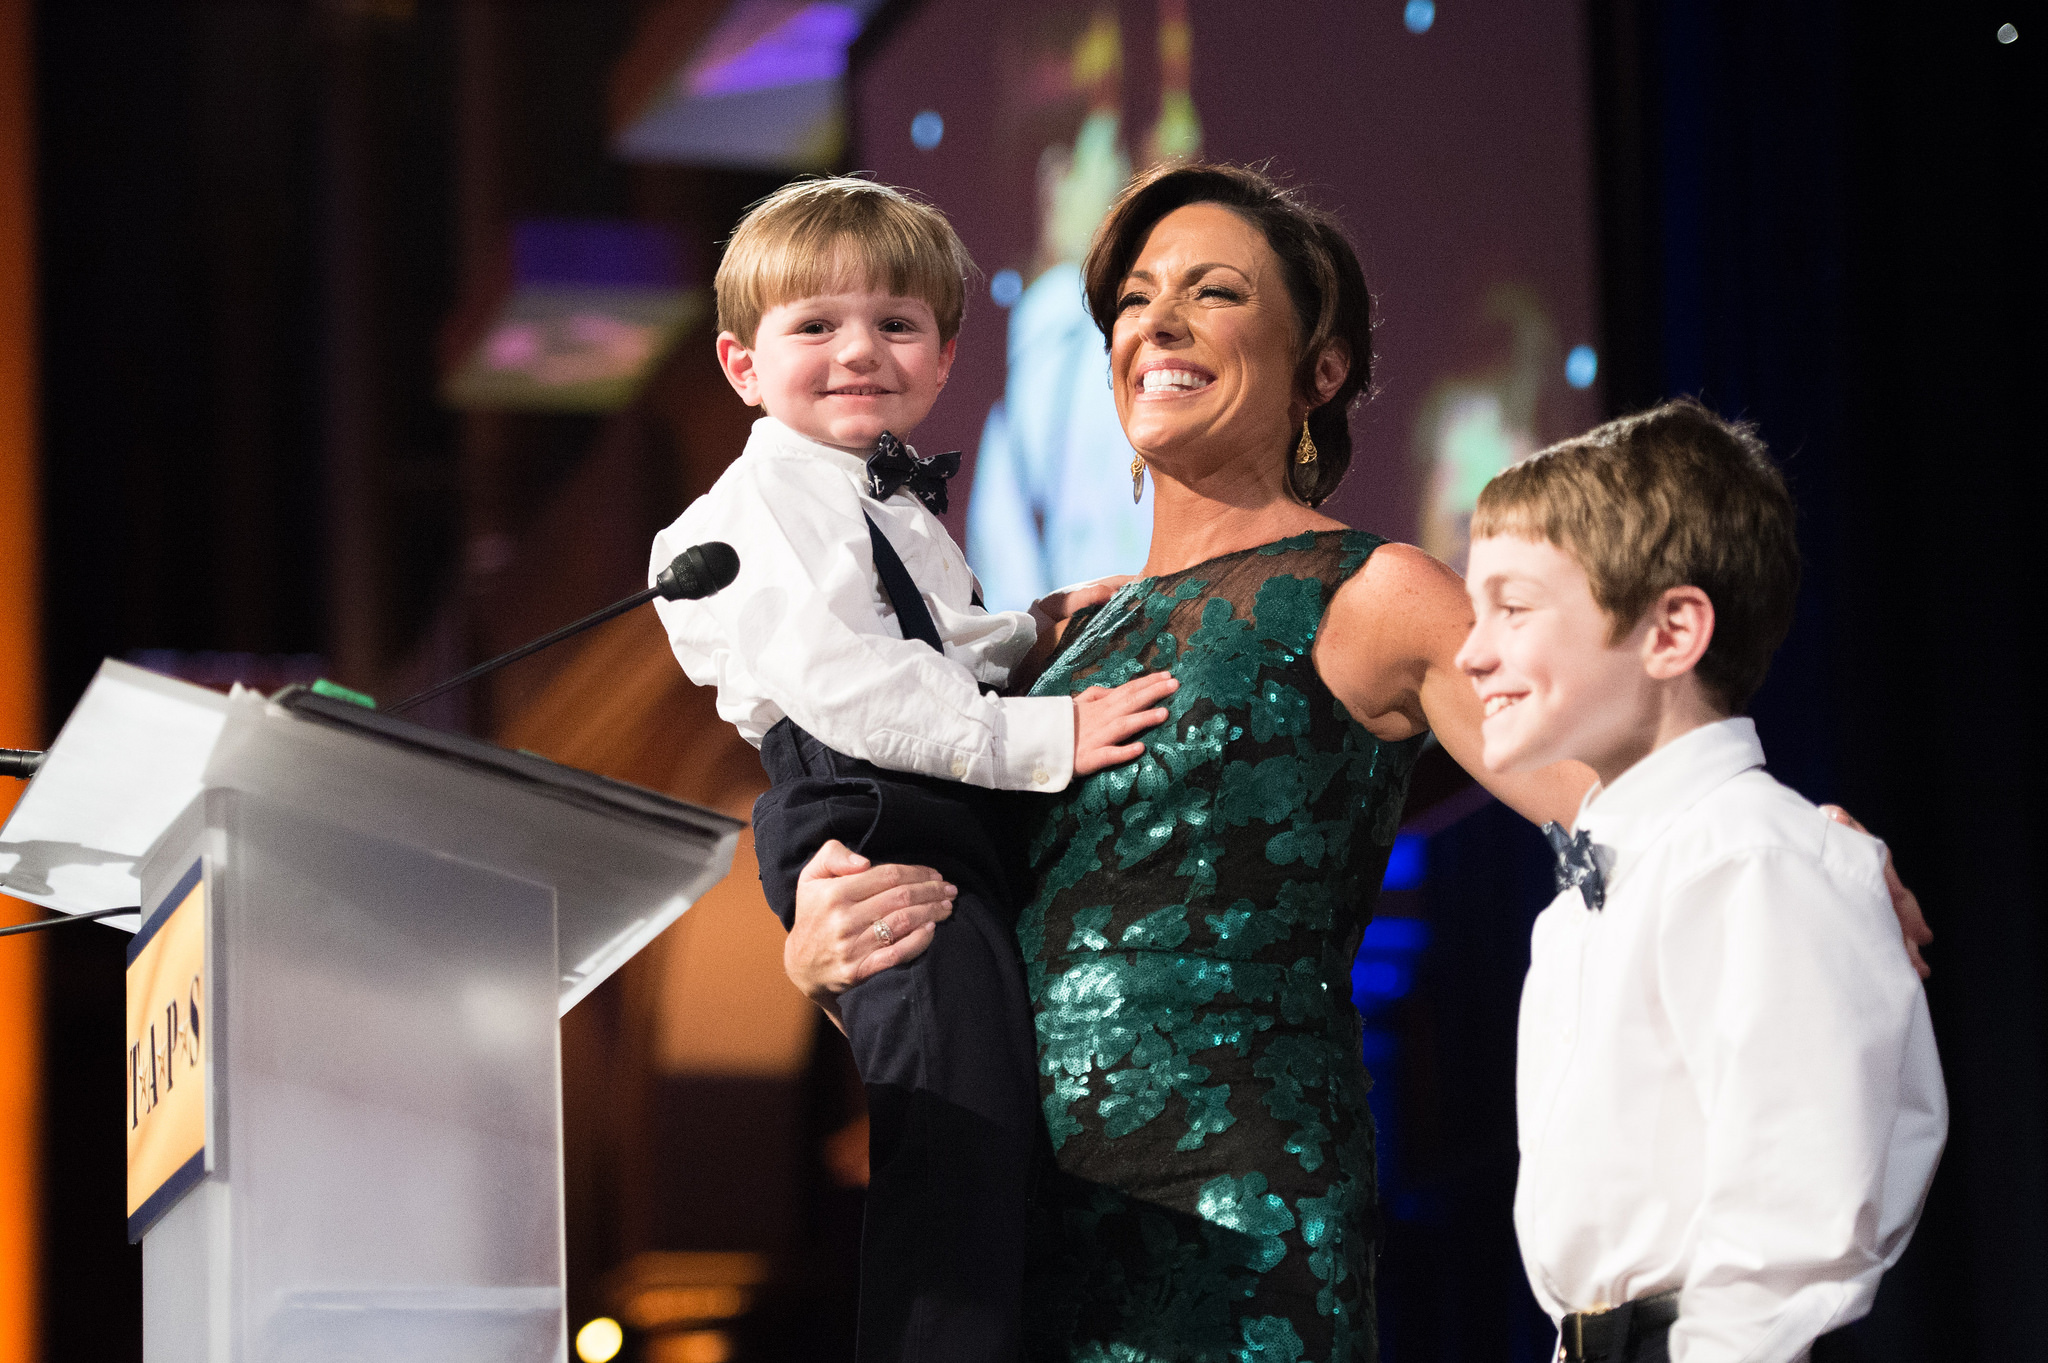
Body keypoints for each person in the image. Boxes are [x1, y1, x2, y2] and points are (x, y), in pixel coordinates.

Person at [780, 162, 1931, 1363]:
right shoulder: (1048, 632)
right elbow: (962, 916)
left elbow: (1613, 798)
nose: (1155, 324)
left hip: (1234, 1223)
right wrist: (826, 951)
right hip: (1015, 1221)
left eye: (1211, 293)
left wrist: (1796, 849)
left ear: (1318, 370)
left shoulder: (1368, 593)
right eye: (1131, 299)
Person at [647, 176, 1175, 1363]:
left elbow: (931, 640)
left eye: (894, 324)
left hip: (916, 794)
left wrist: (1030, 634)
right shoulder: (765, 500)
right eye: (813, 326)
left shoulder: (869, 491)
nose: (858, 352)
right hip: (867, 805)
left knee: (992, 1133)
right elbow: (854, 683)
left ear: (943, 358)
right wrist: (1044, 733)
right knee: (953, 1138)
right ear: (740, 364)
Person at [1456, 402, 1945, 1363]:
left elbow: (1791, 1229)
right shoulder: (1581, 905)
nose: (1472, 651)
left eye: (1513, 609)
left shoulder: (1757, 861)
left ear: (1672, 630)